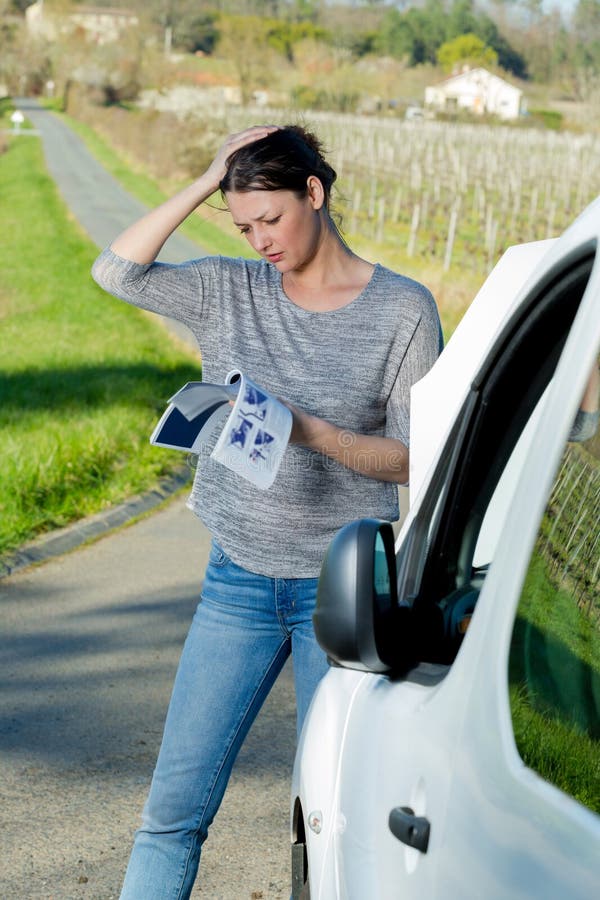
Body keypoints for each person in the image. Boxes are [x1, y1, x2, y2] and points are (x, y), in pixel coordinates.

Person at [92, 123, 443, 898]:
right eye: (244, 226)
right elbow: (116, 271)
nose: (259, 241)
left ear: (313, 193)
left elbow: (416, 458)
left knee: (330, 825)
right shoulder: (230, 290)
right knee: (171, 815)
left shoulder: (404, 311)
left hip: (341, 596)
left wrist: (311, 432)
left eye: (270, 219)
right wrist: (209, 176)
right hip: (237, 582)